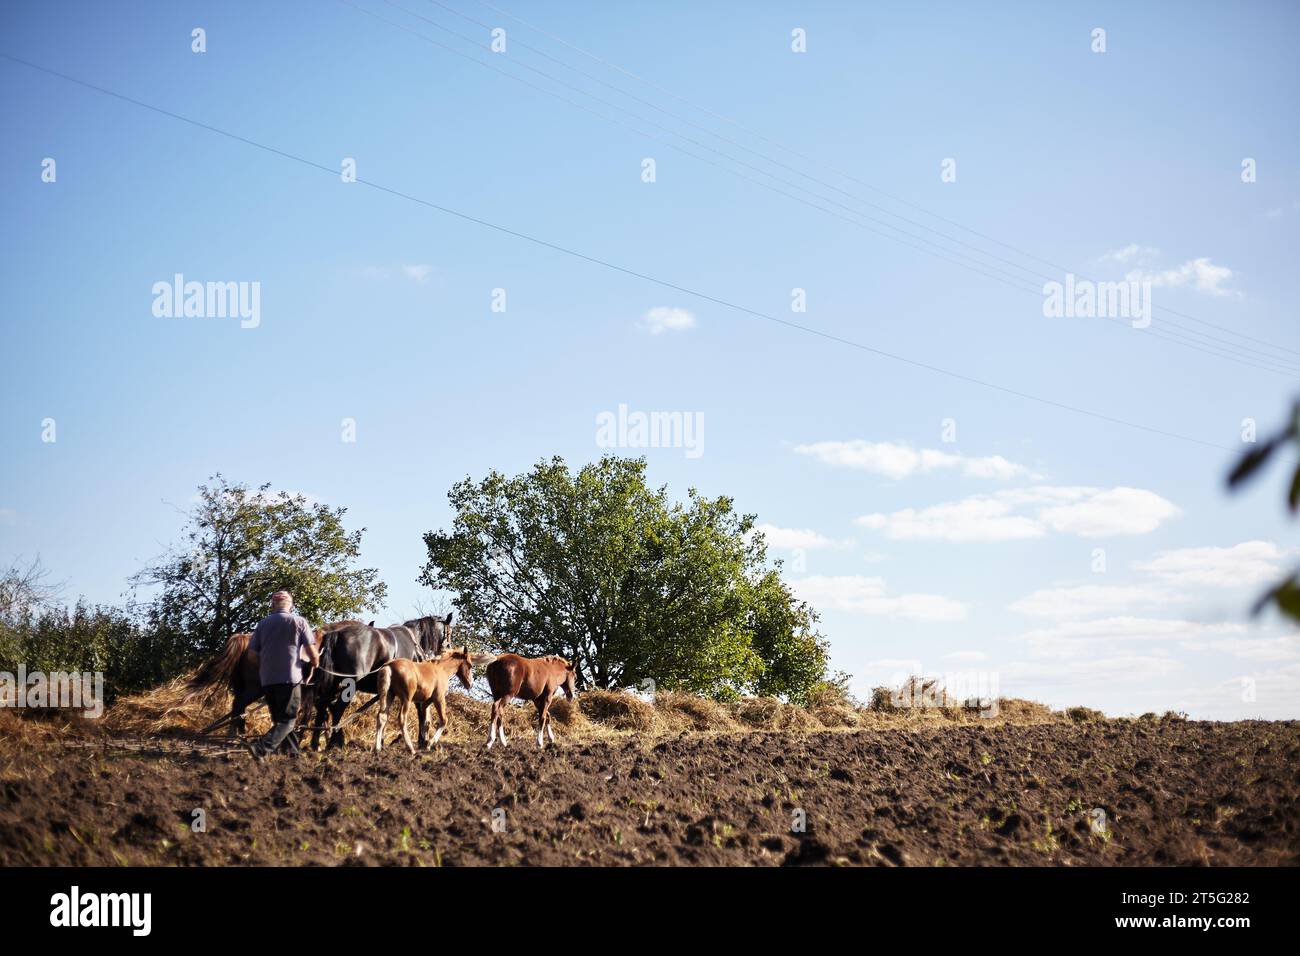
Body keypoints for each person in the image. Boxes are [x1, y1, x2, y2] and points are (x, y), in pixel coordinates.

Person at [244, 590, 319, 760]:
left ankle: (294, 754)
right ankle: (261, 747)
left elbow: (251, 655)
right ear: (291, 606)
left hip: (268, 680)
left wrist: (265, 668)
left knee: (280, 719)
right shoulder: (299, 622)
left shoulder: (262, 624)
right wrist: (315, 664)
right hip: (290, 679)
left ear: (272, 605)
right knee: (289, 719)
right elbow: (312, 653)